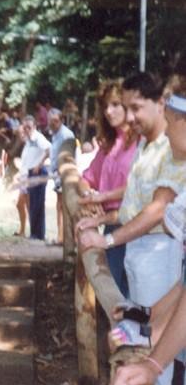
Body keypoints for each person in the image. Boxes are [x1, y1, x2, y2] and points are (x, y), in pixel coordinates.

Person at [77, 71, 186, 385]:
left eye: (136, 108)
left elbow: (155, 211)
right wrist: (103, 218)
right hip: (142, 258)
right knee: (145, 351)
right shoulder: (147, 143)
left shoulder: (172, 151)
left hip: (157, 254)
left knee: (160, 373)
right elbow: (135, 198)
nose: (130, 116)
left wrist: (108, 238)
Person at [75, 79, 139, 295]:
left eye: (115, 104)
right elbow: (85, 178)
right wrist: (88, 194)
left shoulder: (142, 142)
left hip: (137, 228)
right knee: (115, 297)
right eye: (105, 106)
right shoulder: (108, 145)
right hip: (112, 226)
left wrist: (101, 198)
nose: (109, 112)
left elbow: (136, 187)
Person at [20, 115, 51, 241]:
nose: (27, 129)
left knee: (37, 204)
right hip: (31, 173)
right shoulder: (29, 140)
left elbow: (49, 149)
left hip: (38, 172)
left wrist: (39, 164)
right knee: (33, 203)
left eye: (29, 127)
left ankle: (38, 234)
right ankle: (35, 232)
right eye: (25, 127)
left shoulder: (38, 137)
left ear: (34, 126)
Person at [48, 108, 75, 246]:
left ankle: (65, 238)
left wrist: (63, 172)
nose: (53, 124)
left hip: (64, 174)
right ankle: (60, 237)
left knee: (64, 206)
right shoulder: (55, 134)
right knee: (59, 205)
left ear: (61, 121)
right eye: (51, 121)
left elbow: (70, 156)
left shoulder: (66, 134)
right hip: (56, 174)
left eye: (56, 121)